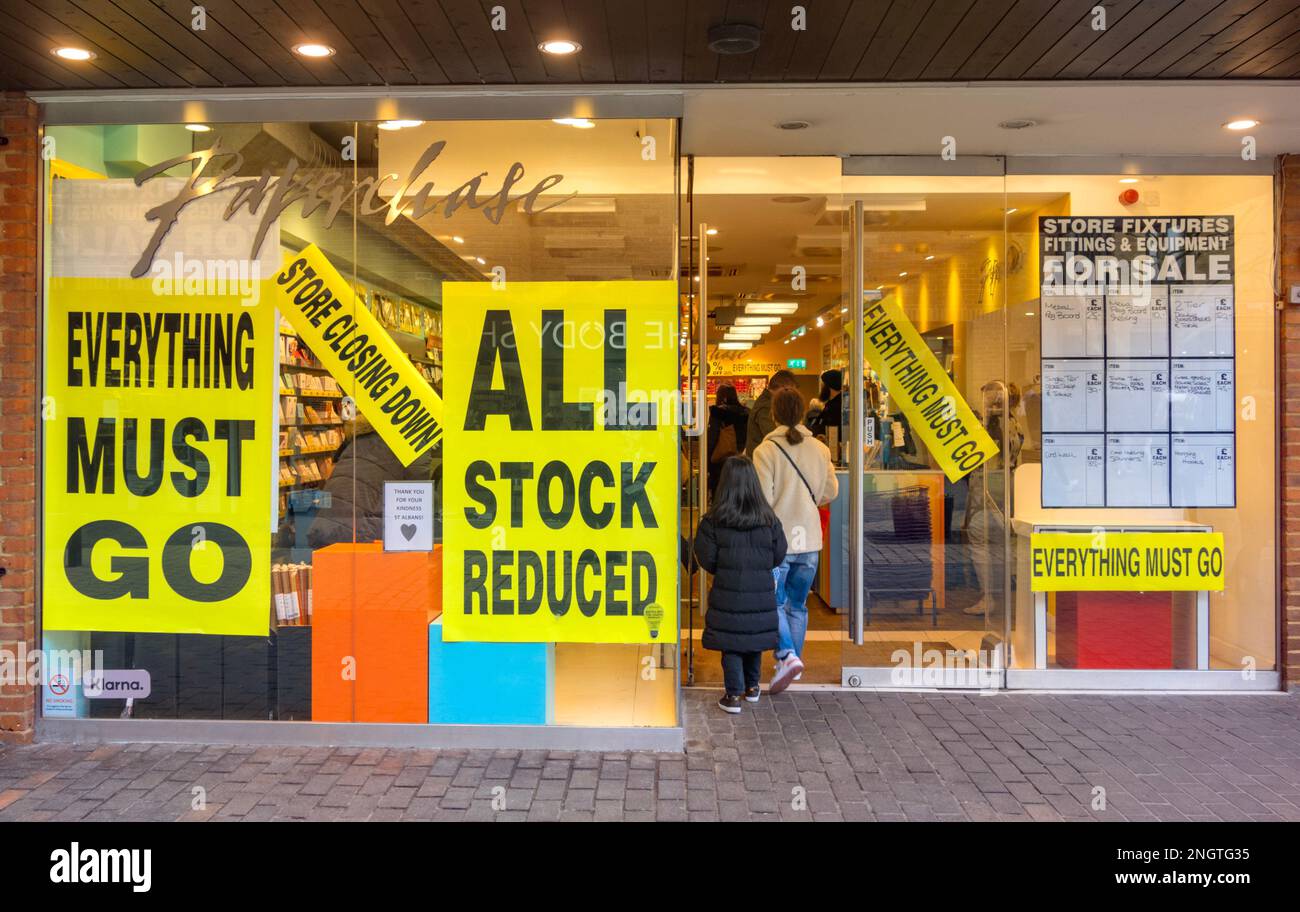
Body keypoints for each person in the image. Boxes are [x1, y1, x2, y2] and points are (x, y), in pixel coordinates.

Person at [752, 387, 839, 693]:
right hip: (811, 541)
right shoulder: (820, 449)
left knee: (772, 602)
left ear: (774, 414)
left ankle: (786, 655)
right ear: (802, 413)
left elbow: (763, 499)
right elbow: (831, 492)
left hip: (779, 541)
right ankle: (792, 663)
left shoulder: (765, 451)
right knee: (798, 606)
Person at [692, 456, 788, 714]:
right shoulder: (769, 519)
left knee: (732, 642)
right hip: (761, 592)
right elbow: (779, 554)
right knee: (752, 638)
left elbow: (705, 558)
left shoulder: (713, 521)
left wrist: (726, 570)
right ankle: (753, 688)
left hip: (728, 592)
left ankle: (733, 695)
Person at [307, 411, 436, 548]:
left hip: (328, 525)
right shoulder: (411, 443)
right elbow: (418, 496)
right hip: (362, 533)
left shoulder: (358, 441)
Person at [706, 384, 749, 495]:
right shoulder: (746, 412)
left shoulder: (718, 413)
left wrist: (707, 459)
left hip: (721, 461)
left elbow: (712, 438)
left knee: (720, 494)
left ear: (720, 397)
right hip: (742, 459)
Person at [744, 369, 797, 455]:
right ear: (783, 388)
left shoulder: (768, 402)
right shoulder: (766, 406)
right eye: (790, 391)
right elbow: (775, 435)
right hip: (761, 461)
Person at [805, 368, 843, 439]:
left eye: (823, 385)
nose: (822, 388)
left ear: (830, 386)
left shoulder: (836, 406)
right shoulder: (831, 404)